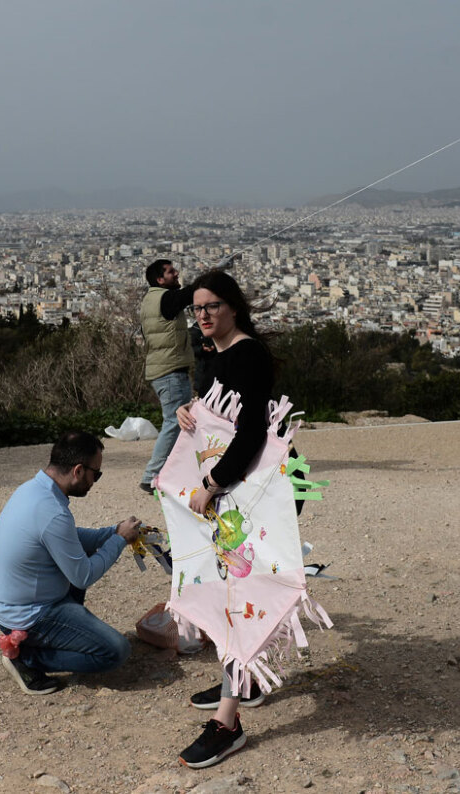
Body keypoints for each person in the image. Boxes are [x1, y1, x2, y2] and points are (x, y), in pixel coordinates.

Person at [173, 270, 275, 768]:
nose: (204, 315)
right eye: (197, 308)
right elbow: (218, 413)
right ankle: (246, 679)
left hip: (248, 491)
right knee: (233, 591)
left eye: (212, 305)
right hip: (230, 491)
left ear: (233, 306)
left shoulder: (249, 354)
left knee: (237, 596)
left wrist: (213, 485)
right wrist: (186, 412)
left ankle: (228, 723)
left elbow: (251, 429)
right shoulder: (214, 356)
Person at [0, 430, 143, 694]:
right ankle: (25, 658)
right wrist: (119, 541)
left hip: (15, 604)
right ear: (78, 470)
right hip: (29, 615)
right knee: (116, 651)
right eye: (96, 474)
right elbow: (83, 575)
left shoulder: (33, 490)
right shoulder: (52, 512)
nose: (95, 481)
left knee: (78, 556)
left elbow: (68, 538)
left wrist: (112, 531)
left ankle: (44, 641)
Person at [138, 260, 197, 494]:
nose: (176, 274)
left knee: (178, 422)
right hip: (170, 371)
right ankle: (151, 476)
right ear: (160, 280)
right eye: (171, 272)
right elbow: (188, 294)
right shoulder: (165, 299)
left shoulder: (150, 300)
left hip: (165, 369)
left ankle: (172, 471)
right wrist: (213, 275)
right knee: (175, 422)